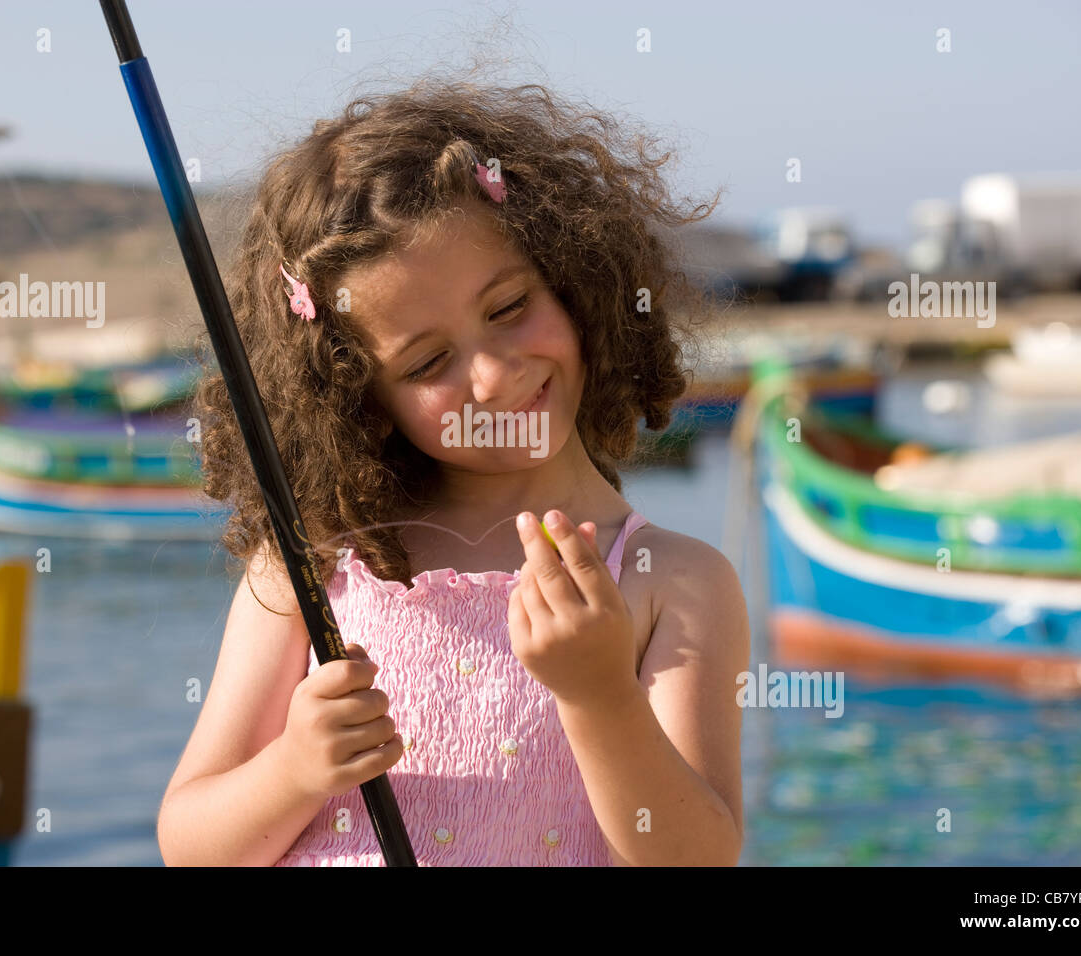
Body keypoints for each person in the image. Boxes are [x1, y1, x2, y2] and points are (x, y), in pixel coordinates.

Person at [157, 78, 749, 866]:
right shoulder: (316, 563)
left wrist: (600, 696)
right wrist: (291, 771)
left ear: (572, 278)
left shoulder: (673, 581)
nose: (495, 376)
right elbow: (192, 847)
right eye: (430, 360)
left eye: (508, 308)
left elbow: (697, 857)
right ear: (361, 403)